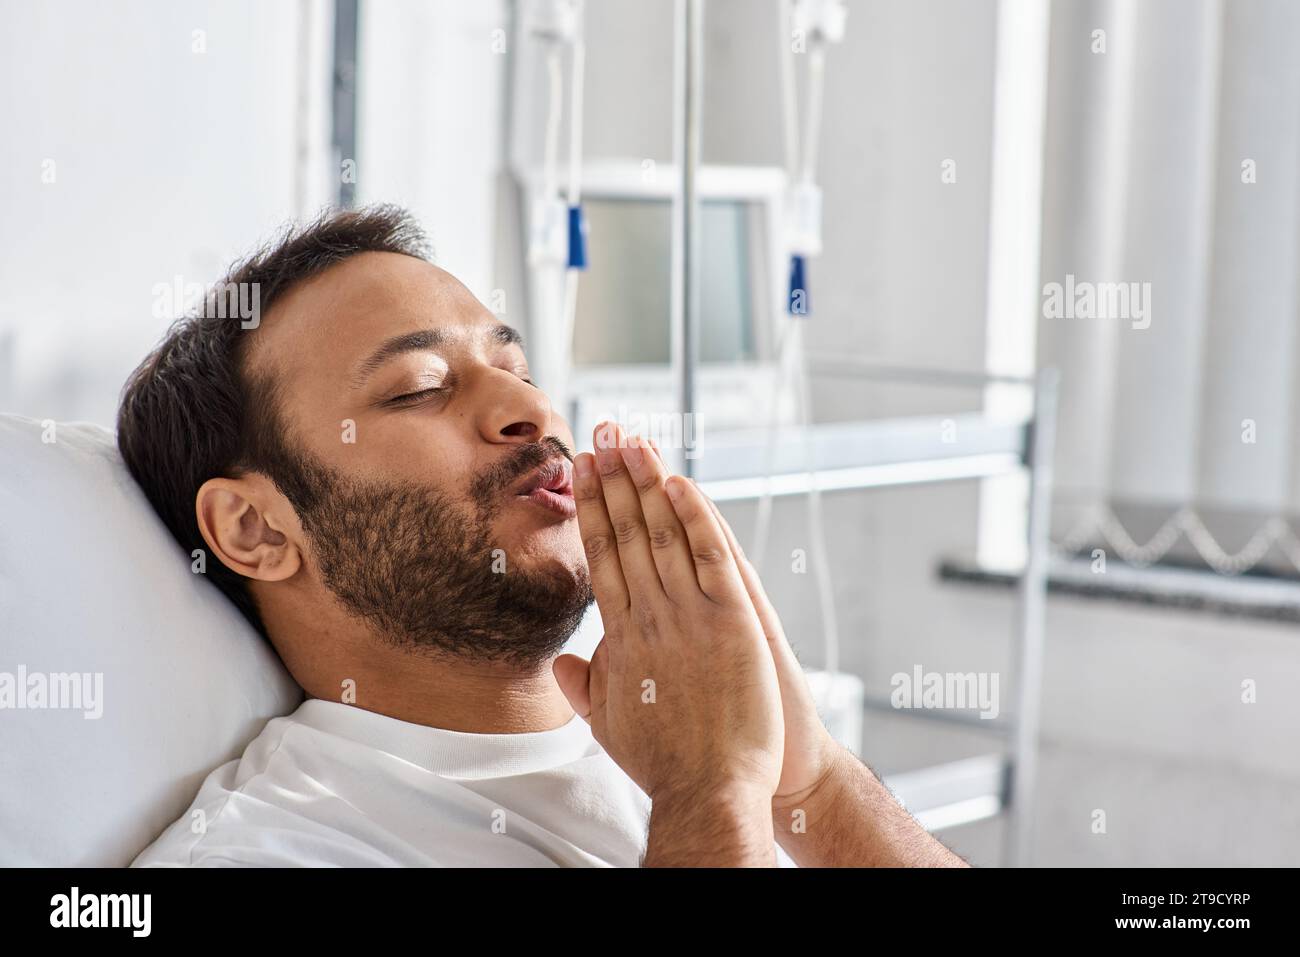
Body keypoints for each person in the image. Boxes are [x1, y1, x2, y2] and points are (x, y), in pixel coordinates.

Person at [118, 204, 967, 867]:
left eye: (518, 371)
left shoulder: (689, 737)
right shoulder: (277, 848)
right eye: (418, 388)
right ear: (257, 528)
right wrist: (710, 793)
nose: (531, 410)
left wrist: (810, 776)